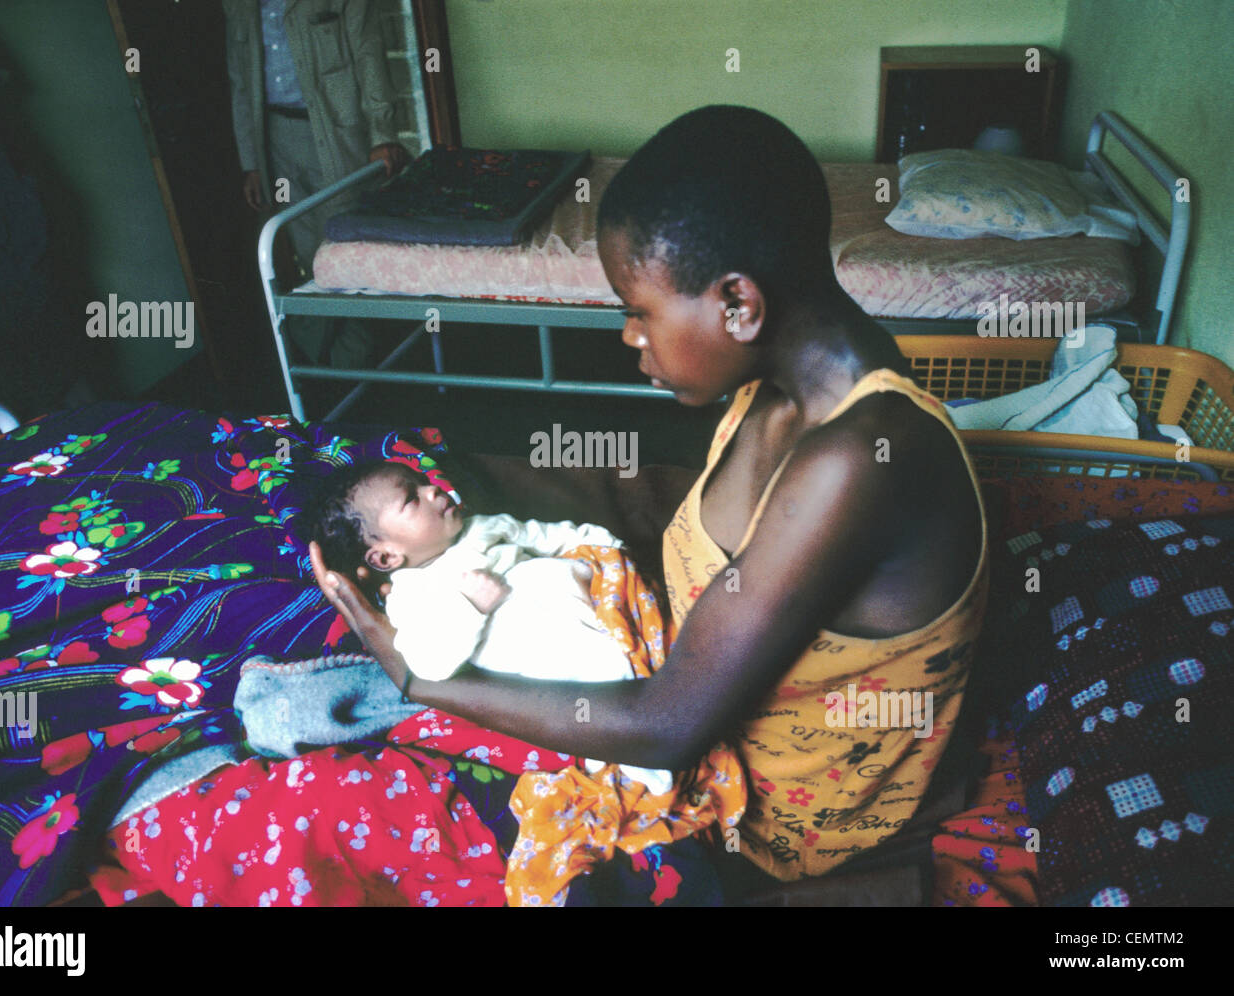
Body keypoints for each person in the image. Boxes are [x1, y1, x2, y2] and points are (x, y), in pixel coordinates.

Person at [310, 104, 988, 891]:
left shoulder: (859, 459)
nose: (630, 338)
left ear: (738, 303)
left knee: (365, 809)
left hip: (764, 814)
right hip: (674, 672)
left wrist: (420, 679)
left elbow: (667, 730)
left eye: (639, 312)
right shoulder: (782, 380)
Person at [305, 459, 674, 794]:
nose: (432, 490)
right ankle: (645, 754)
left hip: (595, 603)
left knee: (646, 638)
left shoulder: (483, 526)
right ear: (386, 556)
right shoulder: (411, 598)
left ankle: (657, 691)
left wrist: (608, 547)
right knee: (604, 680)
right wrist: (471, 605)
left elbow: (548, 537)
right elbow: (428, 664)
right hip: (550, 652)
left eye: (422, 482)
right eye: (411, 499)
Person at [223, 0, 409, 366]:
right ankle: (341, 362)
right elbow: (240, 84)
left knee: (344, 243)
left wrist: (382, 133)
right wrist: (252, 163)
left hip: (333, 134)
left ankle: (355, 359)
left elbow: (368, 54)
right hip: (275, 137)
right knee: (307, 249)